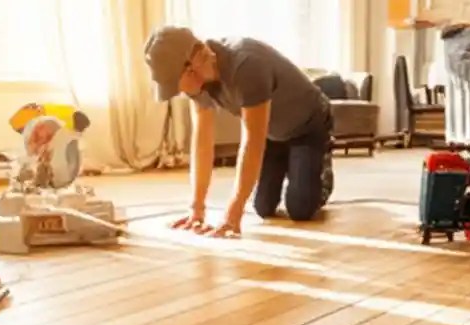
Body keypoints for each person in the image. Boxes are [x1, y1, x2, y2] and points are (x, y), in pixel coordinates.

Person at [143, 25, 334, 237]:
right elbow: (202, 143)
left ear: (191, 66)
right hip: (273, 133)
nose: (180, 93)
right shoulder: (199, 85)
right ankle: (294, 164)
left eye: (177, 86)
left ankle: (320, 169)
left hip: (308, 124)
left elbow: (252, 140)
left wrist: (232, 213)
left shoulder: (246, 65)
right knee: (263, 208)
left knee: (301, 208)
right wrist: (196, 208)